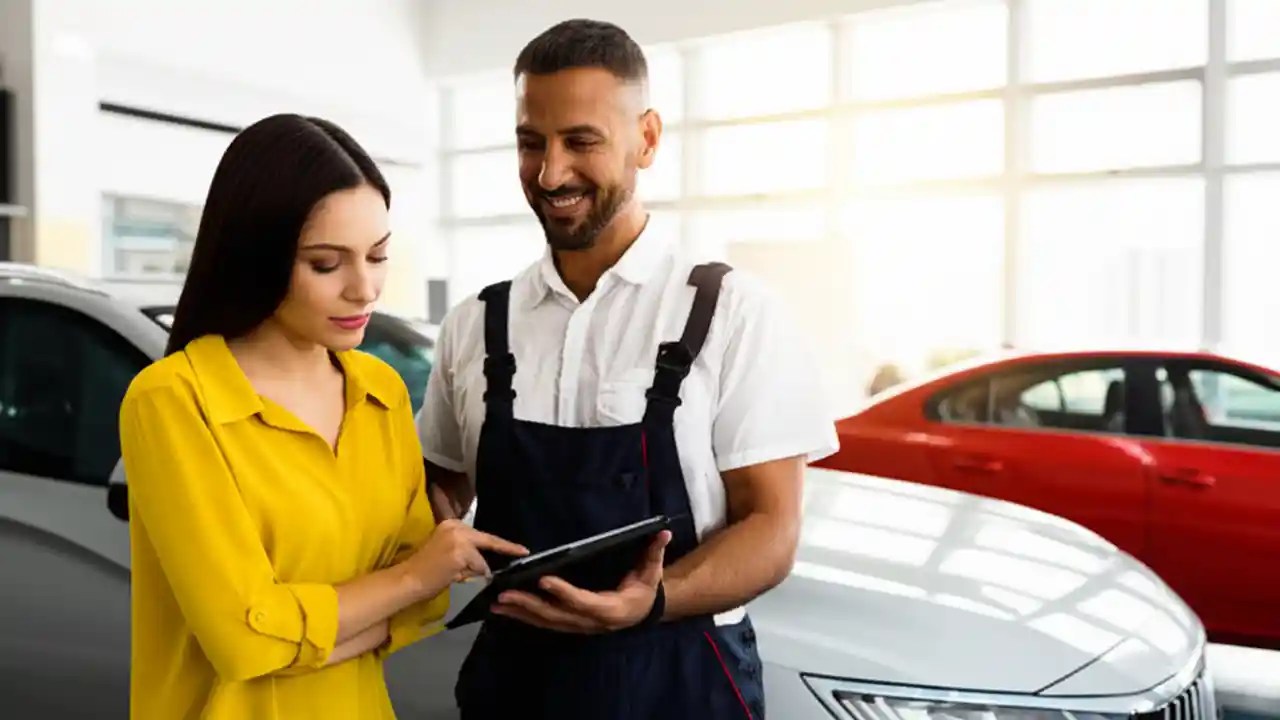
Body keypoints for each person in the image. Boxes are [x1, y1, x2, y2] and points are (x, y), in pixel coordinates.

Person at [418, 19, 839, 719]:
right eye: (531, 143)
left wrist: (655, 600)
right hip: (515, 686)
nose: (550, 174)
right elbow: (441, 488)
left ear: (646, 138)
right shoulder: (475, 323)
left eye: (581, 141)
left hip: (679, 682)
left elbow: (771, 527)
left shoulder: (730, 311)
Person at [118, 113, 527, 720]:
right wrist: (410, 579)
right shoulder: (174, 400)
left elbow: (424, 613)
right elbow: (244, 642)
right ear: (258, 256)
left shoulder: (380, 392)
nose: (365, 289)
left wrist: (305, 632)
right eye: (327, 264)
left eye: (379, 255)